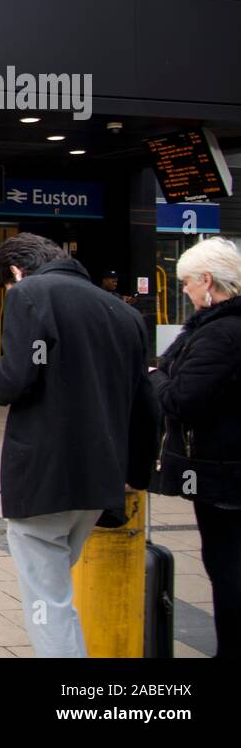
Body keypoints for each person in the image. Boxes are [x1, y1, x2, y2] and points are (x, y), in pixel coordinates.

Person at [0, 233, 149, 658]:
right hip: (99, 479)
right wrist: (136, 475)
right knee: (56, 588)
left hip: (44, 474)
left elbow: (17, 378)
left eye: (8, 285)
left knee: (46, 601)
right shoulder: (124, 314)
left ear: (17, 271)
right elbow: (146, 403)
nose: (11, 294)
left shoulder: (32, 293)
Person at [149, 236, 241, 659]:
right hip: (226, 465)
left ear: (207, 281)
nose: (183, 289)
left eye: (186, 282)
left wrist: (155, 376)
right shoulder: (217, 328)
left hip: (224, 472)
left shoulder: (221, 333)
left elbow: (185, 399)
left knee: (227, 567)